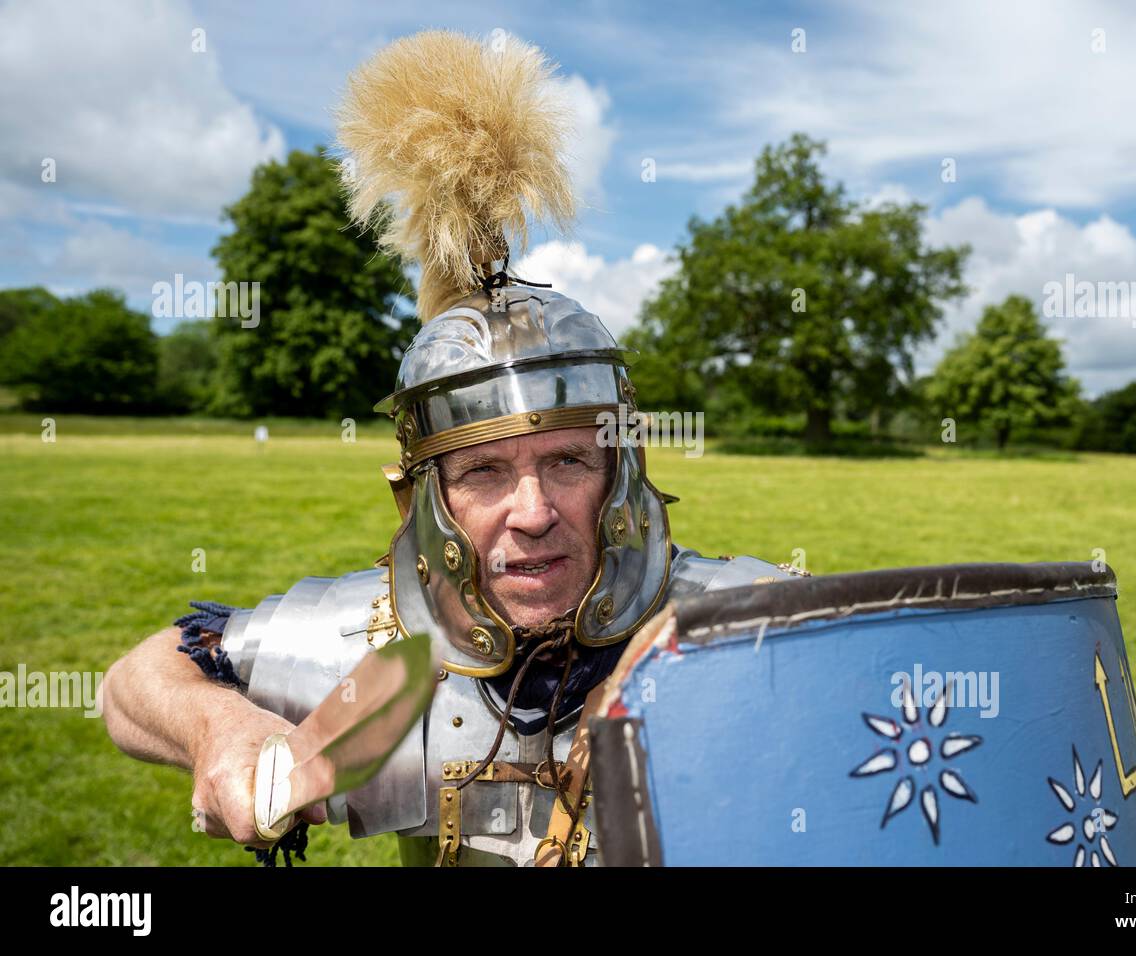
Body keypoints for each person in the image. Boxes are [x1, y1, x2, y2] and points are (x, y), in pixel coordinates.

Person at [102, 29, 807, 867]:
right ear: (421, 500)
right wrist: (219, 724)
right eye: (482, 473)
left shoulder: (748, 625)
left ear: (622, 471)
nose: (534, 512)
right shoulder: (381, 650)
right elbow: (134, 682)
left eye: (568, 462)